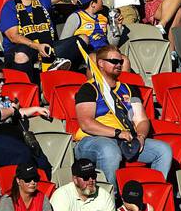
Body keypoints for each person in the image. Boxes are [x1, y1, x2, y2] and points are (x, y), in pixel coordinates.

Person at [72, 51, 172, 183]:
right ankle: (111, 199)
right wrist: (117, 133)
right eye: (114, 61)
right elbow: (86, 123)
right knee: (110, 151)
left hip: (125, 140)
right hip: (92, 140)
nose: (118, 64)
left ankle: (153, 195)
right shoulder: (89, 89)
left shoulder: (129, 89)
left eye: (120, 62)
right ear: (101, 63)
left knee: (163, 150)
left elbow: (141, 119)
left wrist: (141, 136)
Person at [0, 0, 70, 78]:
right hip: (22, 48)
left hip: (48, 45)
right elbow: (13, 36)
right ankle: (30, 90)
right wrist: (36, 46)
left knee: (81, 40)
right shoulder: (10, 6)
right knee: (21, 55)